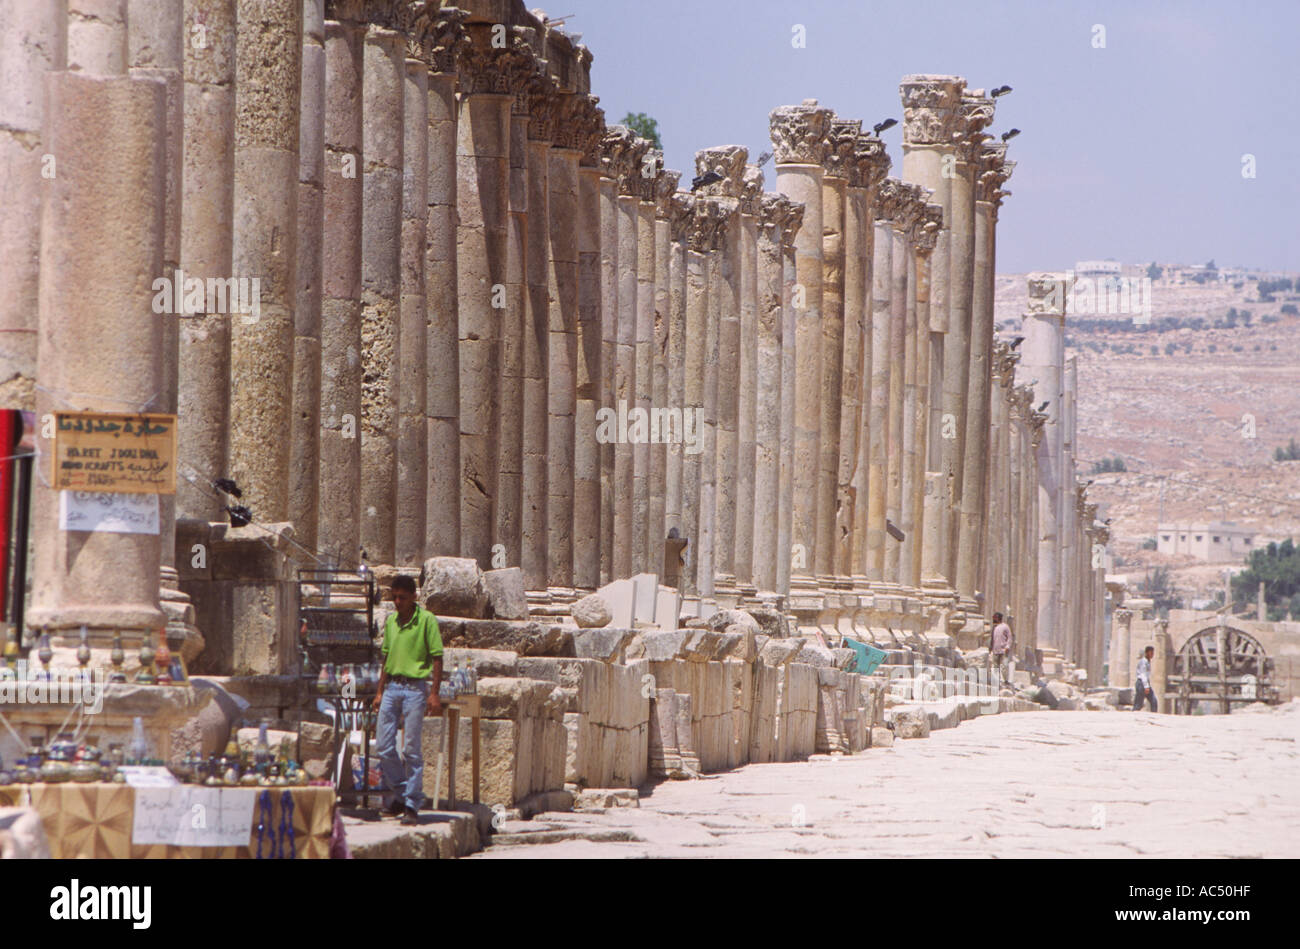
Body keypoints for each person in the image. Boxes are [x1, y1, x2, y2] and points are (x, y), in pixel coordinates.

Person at [372, 575, 442, 824]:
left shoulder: (427, 621)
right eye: (395, 597)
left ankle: (411, 804)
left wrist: (434, 693)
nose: (398, 602)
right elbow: (386, 658)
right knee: (383, 746)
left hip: (415, 689)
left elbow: (436, 657)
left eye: (402, 597)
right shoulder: (391, 622)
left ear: (414, 597)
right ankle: (402, 793)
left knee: (411, 749)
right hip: (392, 688)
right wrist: (379, 692)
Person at [990, 612, 1014, 683]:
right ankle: (997, 680)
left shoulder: (1005, 627)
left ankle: (1005, 680)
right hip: (995, 650)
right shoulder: (994, 627)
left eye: (995, 618)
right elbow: (992, 639)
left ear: (998, 618)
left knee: (1004, 666)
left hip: (1003, 650)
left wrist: (1007, 646)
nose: (993, 619)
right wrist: (990, 648)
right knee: (995, 666)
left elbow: (1009, 637)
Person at [1133, 644, 1157, 712]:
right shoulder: (1144, 662)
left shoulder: (1147, 662)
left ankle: (1154, 716)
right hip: (1142, 684)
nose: (1152, 655)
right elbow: (1143, 674)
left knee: (1153, 701)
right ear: (1146, 653)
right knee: (1138, 704)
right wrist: (1146, 686)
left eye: (1153, 653)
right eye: (1151, 653)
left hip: (1145, 683)